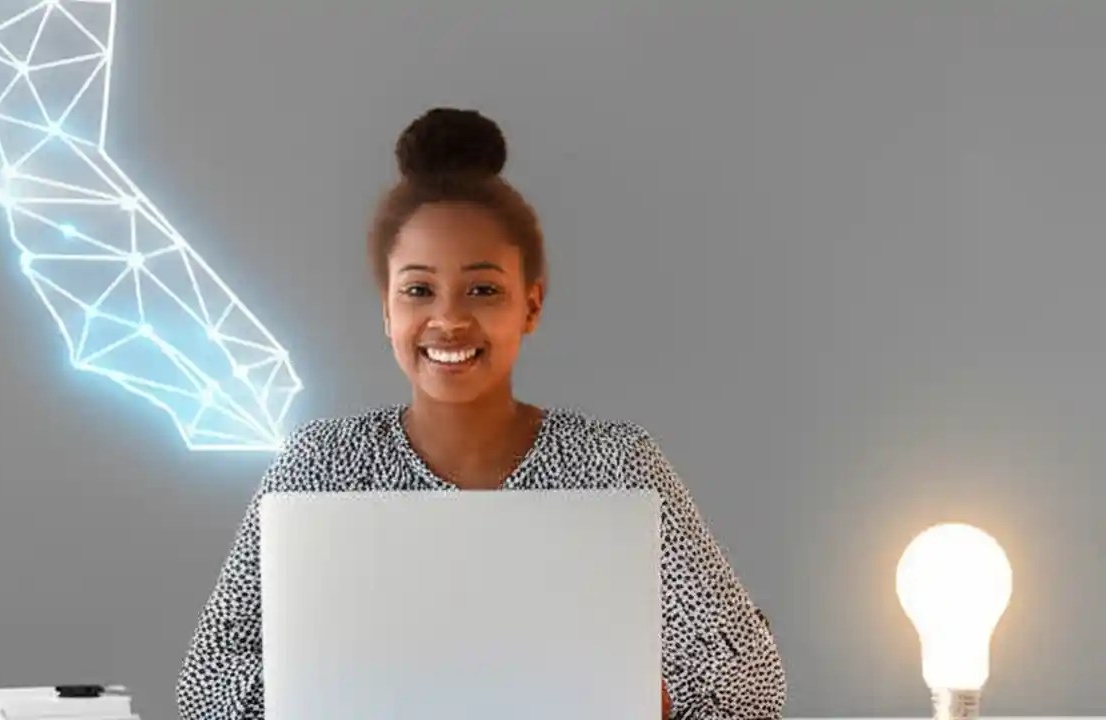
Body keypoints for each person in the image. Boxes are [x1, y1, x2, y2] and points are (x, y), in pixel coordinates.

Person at [176, 107, 787, 720]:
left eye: (483, 289)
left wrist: (665, 708)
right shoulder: (322, 464)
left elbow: (750, 686)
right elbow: (207, 687)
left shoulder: (616, 463)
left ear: (530, 305)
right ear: (386, 311)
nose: (448, 319)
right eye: (418, 290)